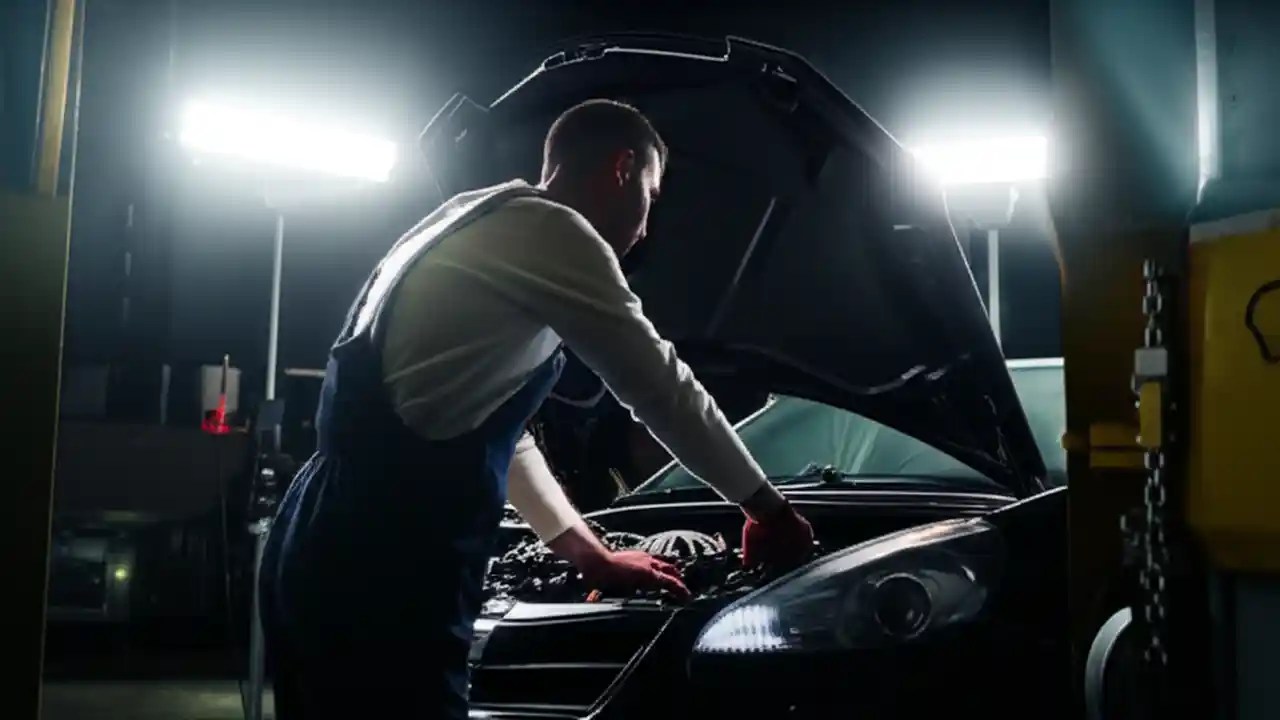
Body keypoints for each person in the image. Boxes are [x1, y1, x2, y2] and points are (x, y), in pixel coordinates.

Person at [258, 98, 815, 718]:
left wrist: (590, 554)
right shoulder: (555, 230)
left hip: (323, 534)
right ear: (622, 168)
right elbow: (659, 385)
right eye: (652, 198)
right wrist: (767, 509)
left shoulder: (472, 216)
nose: (647, 228)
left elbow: (497, 433)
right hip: (384, 553)